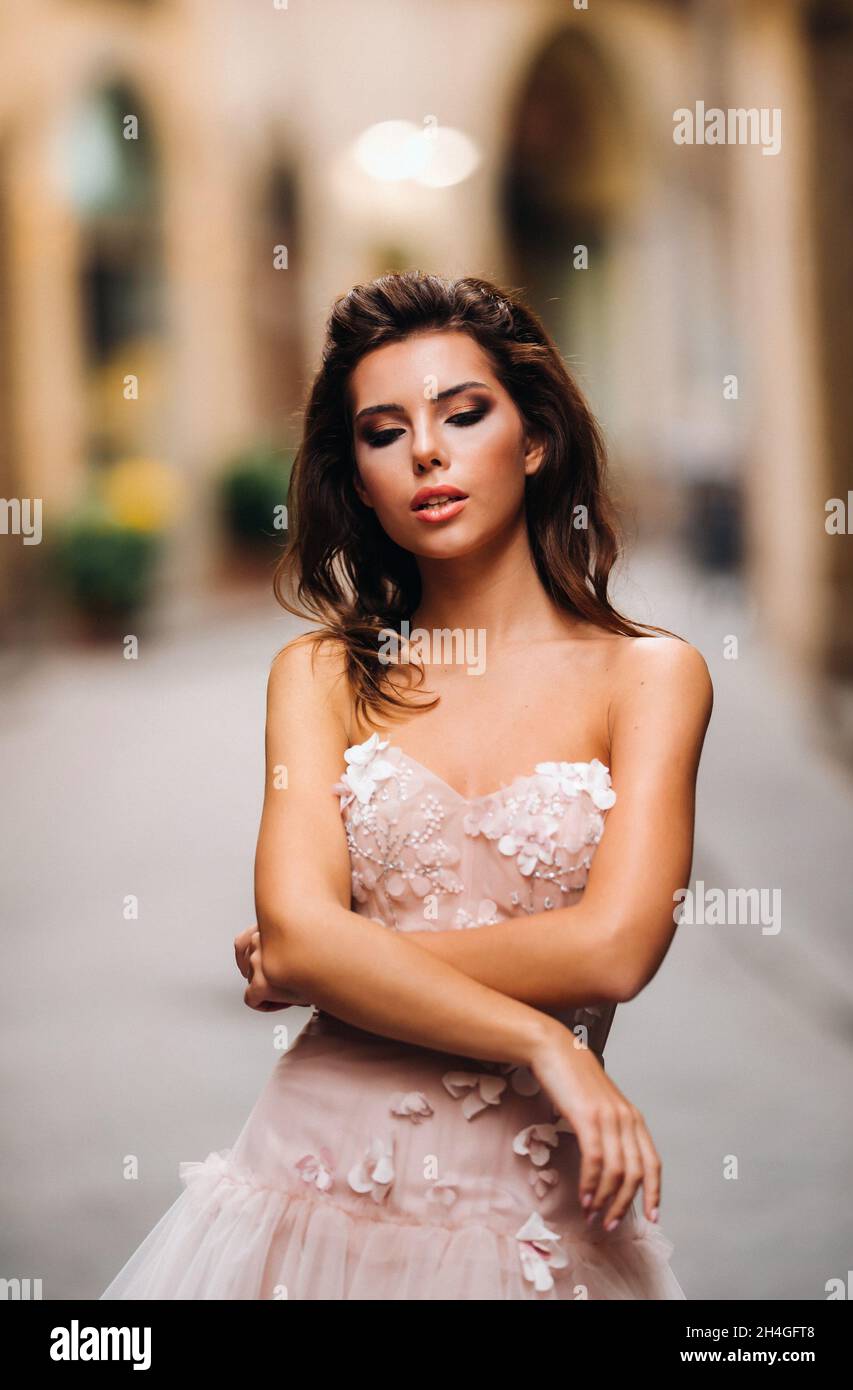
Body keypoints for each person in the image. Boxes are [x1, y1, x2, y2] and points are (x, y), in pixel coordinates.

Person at [100, 271, 712, 1300]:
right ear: (364, 481)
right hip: (303, 1200)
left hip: (530, 1224)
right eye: (384, 433)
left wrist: (342, 962)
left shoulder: (649, 676)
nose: (425, 449)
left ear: (534, 439)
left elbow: (613, 949)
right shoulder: (320, 677)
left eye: (462, 414)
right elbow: (295, 937)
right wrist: (537, 1040)